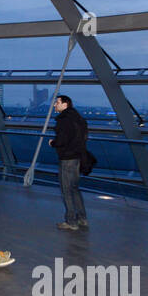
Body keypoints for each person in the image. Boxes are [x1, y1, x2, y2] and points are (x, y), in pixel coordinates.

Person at [49, 95, 89, 231]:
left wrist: (52, 143)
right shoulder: (78, 118)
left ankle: (71, 222)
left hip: (67, 158)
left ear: (65, 104)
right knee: (75, 189)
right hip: (77, 157)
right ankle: (82, 218)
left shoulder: (63, 120)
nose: (55, 105)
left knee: (66, 190)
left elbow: (62, 140)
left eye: (57, 102)